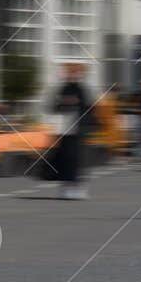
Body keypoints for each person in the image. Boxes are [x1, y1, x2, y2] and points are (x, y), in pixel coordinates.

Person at [51, 63, 93, 199]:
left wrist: (87, 127)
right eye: (70, 72)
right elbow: (53, 107)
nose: (72, 75)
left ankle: (78, 187)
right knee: (65, 158)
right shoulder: (62, 88)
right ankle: (66, 186)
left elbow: (88, 109)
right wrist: (64, 103)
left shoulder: (82, 89)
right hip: (64, 129)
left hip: (78, 129)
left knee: (77, 158)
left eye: (75, 72)